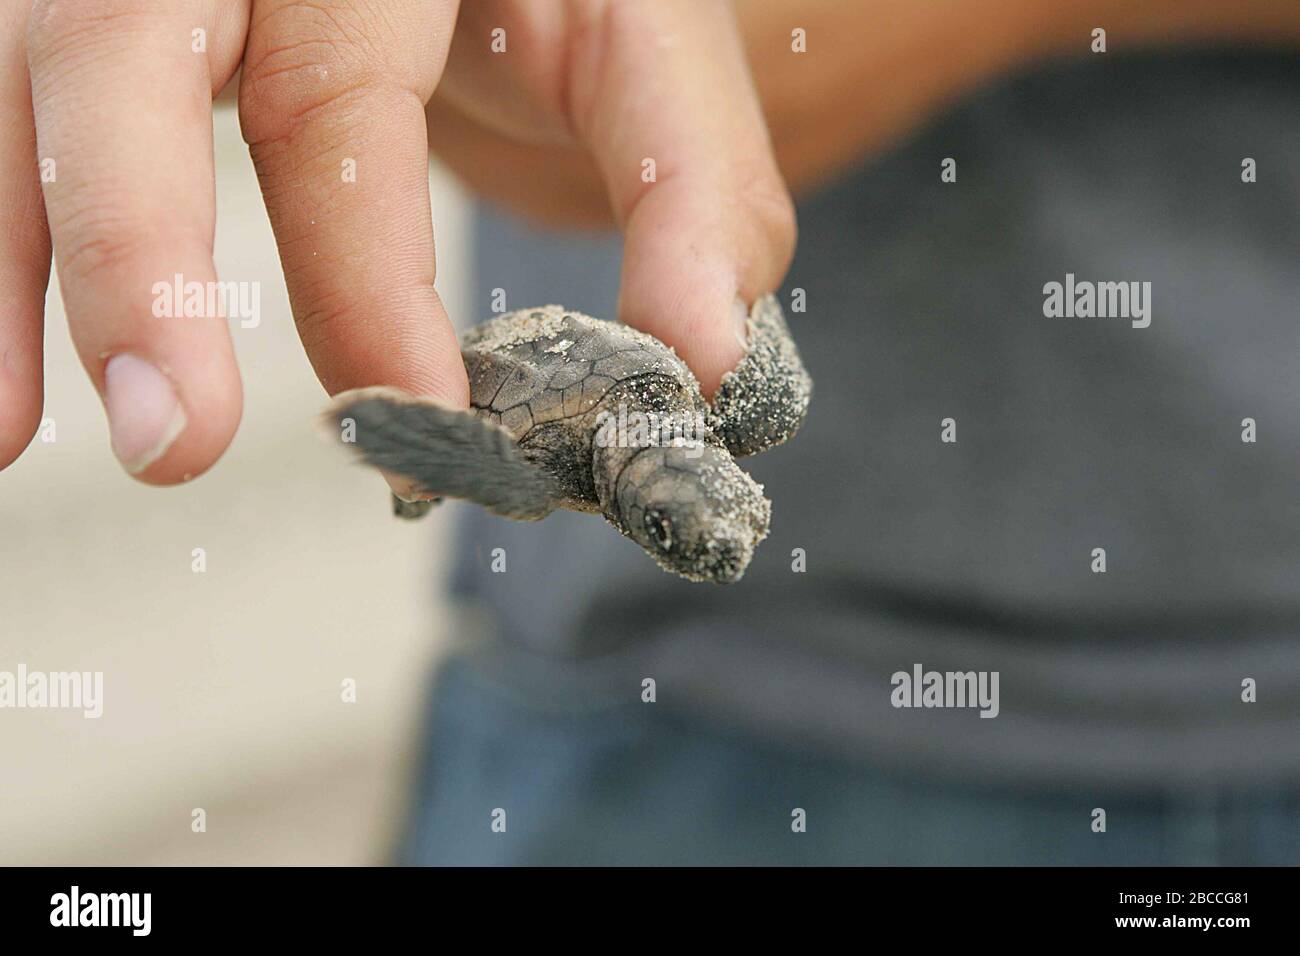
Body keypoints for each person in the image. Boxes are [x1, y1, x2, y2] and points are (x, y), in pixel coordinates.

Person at [4, 2, 1297, 865]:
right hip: (676, 704)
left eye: (693, 522)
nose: (705, 528)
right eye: (694, 517)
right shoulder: (648, 424)